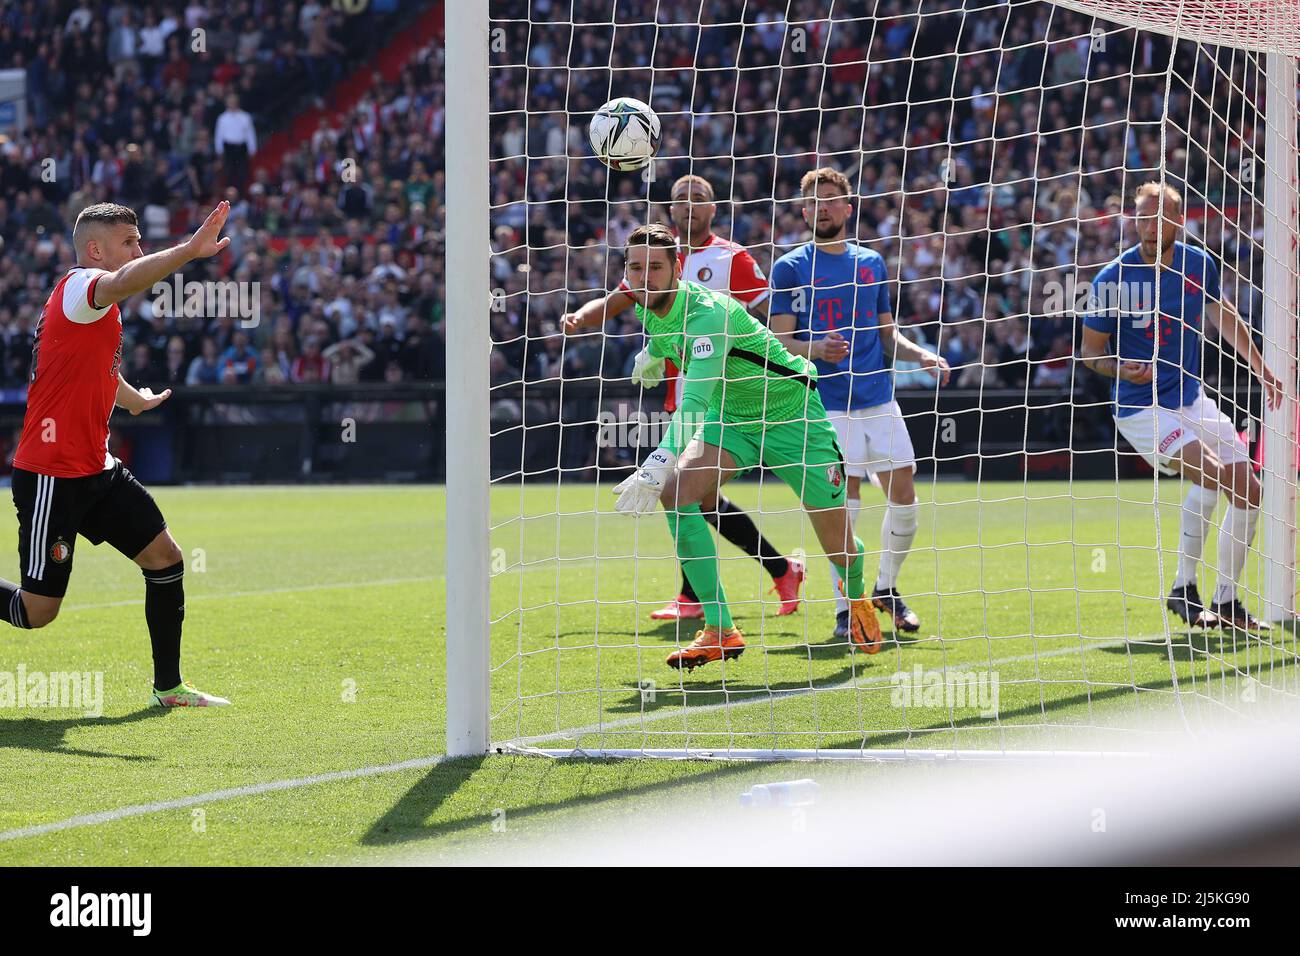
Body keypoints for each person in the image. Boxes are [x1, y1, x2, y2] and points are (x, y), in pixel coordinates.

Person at [611, 223, 884, 670]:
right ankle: (721, 629)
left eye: (656, 267)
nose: (644, 277)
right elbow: (667, 340)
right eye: (636, 267)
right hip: (733, 419)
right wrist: (654, 354)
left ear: (677, 269)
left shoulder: (710, 313)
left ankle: (856, 596)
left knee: (837, 545)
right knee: (677, 496)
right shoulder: (647, 308)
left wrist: (657, 460)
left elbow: (693, 401)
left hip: (793, 417)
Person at [0, 201, 234, 707]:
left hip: (96, 469)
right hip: (51, 475)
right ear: (94, 250)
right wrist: (189, 251)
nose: (138, 249)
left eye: (137, 240)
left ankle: (168, 688)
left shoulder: (94, 305)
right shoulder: (83, 286)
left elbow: (100, 371)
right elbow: (125, 279)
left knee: (166, 558)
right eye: (128, 242)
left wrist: (134, 399)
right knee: (38, 611)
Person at [564, 174, 804, 622]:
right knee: (695, 496)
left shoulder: (733, 258)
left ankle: (720, 592)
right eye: (680, 200)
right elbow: (619, 300)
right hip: (682, 389)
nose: (689, 206)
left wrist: (794, 353)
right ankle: (769, 572)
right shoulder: (650, 259)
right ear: (669, 210)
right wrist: (581, 315)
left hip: (733, 396)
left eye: (699, 199)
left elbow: (771, 320)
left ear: (714, 209)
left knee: (685, 491)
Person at [1080, 181, 1283, 630]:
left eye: (1158, 218)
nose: (1148, 227)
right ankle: (1183, 587)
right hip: (1140, 407)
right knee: (1211, 471)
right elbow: (1091, 353)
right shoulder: (1111, 279)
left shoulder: (1198, 263)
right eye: (1141, 218)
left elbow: (1222, 313)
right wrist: (1121, 368)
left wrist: (1261, 367)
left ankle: (1227, 601)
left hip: (1191, 400)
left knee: (1249, 491)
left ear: (1177, 220)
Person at [770, 167, 950, 639]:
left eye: (830, 200)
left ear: (848, 208)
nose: (821, 208)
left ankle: (885, 588)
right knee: (842, 510)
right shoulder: (789, 267)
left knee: (906, 501)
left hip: (878, 400)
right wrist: (817, 350)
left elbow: (887, 334)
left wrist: (920, 354)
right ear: (803, 210)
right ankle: (846, 609)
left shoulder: (870, 263)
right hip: (825, 406)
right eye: (812, 202)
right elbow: (780, 341)